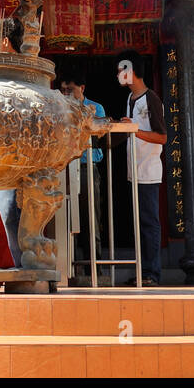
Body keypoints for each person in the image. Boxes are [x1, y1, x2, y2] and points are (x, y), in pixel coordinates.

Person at [116, 51, 167, 286]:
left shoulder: (151, 99)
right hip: (133, 170)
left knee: (149, 223)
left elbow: (162, 137)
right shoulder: (130, 99)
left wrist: (134, 130)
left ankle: (152, 273)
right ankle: (142, 272)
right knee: (139, 224)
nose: (119, 75)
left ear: (132, 71)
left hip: (148, 170)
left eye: (121, 71)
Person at [59, 71, 106, 280]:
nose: (67, 93)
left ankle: (94, 269)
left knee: (90, 219)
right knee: (66, 219)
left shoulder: (96, 107)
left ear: (82, 88)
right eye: (63, 90)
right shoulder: (58, 108)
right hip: (65, 168)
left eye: (71, 89)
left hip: (87, 167)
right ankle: (68, 269)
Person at [0, 17, 23, 268]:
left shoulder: (27, 73)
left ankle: (26, 268)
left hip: (20, 157)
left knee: (12, 212)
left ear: (5, 41)